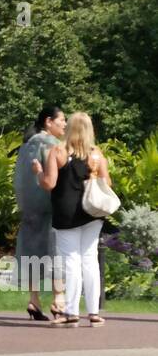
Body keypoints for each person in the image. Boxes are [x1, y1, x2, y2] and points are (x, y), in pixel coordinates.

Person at [33, 111, 112, 327]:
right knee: (90, 259)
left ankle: (71, 311)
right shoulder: (96, 154)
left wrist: (38, 172)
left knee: (72, 261)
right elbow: (107, 184)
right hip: (92, 213)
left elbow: (49, 183)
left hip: (66, 213)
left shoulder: (58, 151)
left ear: (70, 129)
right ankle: (94, 312)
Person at [14, 104, 67, 321]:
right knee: (55, 252)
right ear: (48, 121)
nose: (65, 124)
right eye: (61, 119)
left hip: (29, 208)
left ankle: (34, 300)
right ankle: (59, 299)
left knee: (31, 252)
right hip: (51, 206)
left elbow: (18, 180)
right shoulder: (53, 145)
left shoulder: (25, 147)